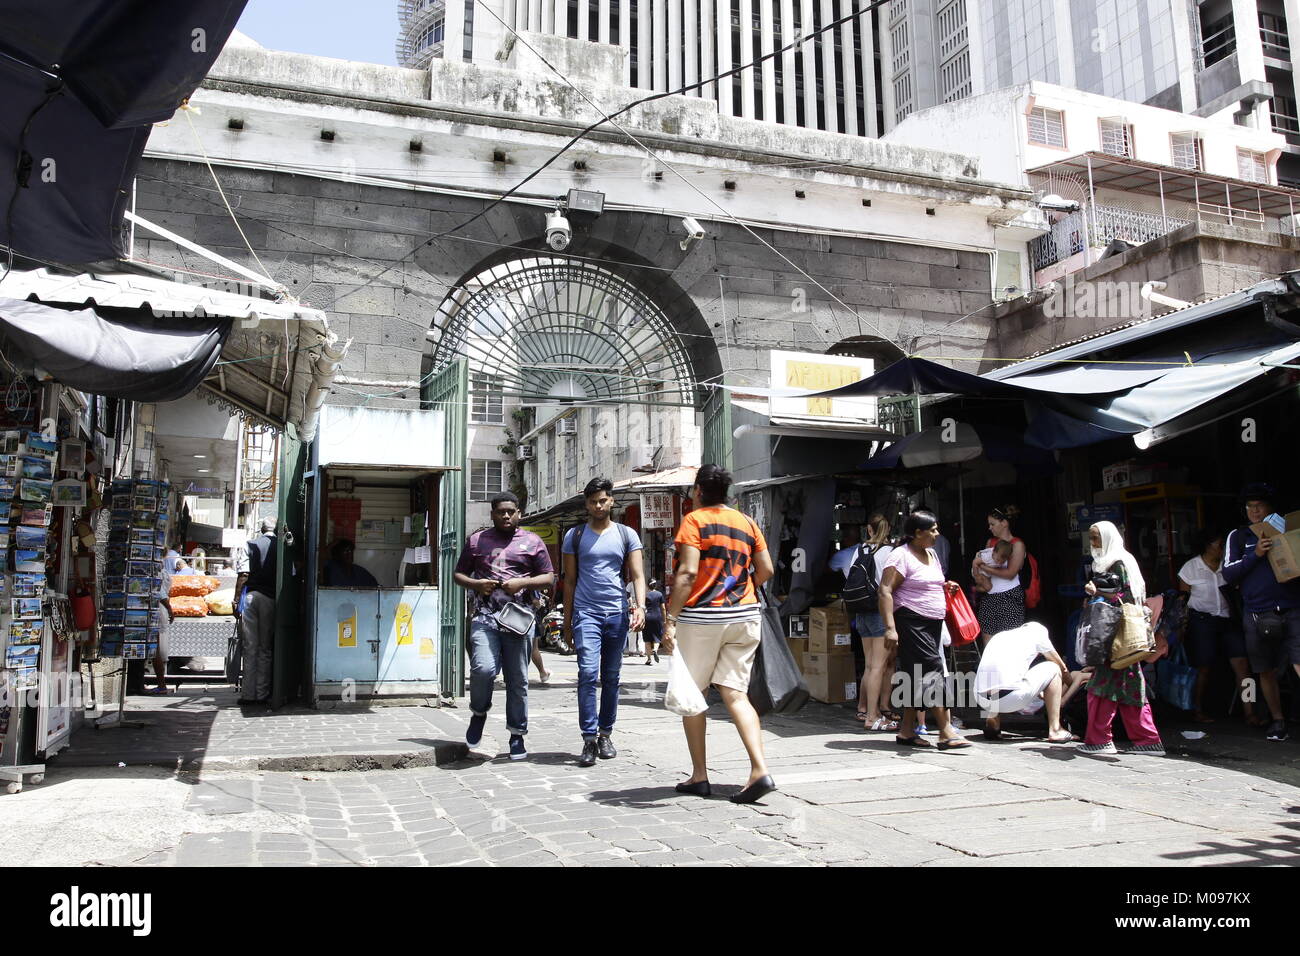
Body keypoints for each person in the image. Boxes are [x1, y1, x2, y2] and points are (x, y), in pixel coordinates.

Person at [661, 464, 777, 803]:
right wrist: (740, 591)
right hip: (745, 615)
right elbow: (766, 569)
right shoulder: (746, 522)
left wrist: (670, 619)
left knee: (693, 696)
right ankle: (759, 769)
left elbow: (687, 573)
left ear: (697, 491)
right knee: (736, 695)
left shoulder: (694, 521)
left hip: (702, 619)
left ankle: (700, 776)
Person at [453, 493, 555, 760]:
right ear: (492, 514)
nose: (506, 516)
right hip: (484, 618)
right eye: (501, 512)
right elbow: (458, 574)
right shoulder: (477, 541)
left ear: (519, 513)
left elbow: (549, 577)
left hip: (518, 622)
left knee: (518, 680)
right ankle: (478, 712)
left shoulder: (532, 541)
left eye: (511, 511)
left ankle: (517, 735)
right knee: (483, 669)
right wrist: (476, 584)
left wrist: (522, 583)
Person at [562, 477, 646, 767]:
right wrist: (567, 619)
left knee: (611, 677)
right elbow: (569, 580)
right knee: (587, 673)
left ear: (611, 501)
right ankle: (588, 737)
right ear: (586, 504)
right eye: (592, 501)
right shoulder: (574, 536)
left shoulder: (626, 535)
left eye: (602, 500)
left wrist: (641, 606)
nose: (598, 505)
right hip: (586, 613)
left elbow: (637, 575)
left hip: (617, 613)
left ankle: (605, 733)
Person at [878, 510, 971, 750]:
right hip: (911, 621)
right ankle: (945, 730)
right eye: (933, 530)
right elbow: (885, 590)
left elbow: (930, 583)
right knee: (932, 669)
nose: (937, 534)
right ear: (917, 533)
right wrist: (890, 628)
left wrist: (945, 586)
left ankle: (907, 730)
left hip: (933, 622)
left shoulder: (931, 554)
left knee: (915, 673)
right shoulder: (901, 556)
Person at [1222, 483, 1300, 742]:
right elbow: (1229, 573)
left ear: (1270, 507)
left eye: (1259, 506)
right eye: (1250, 507)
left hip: (1292, 607)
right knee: (1264, 669)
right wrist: (1255, 555)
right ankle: (1277, 721)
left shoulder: (1285, 527)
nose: (1254, 511)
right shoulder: (1239, 536)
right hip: (1256, 612)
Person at [1078, 521, 1164, 756]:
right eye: (1092, 538)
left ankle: (1100, 740)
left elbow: (1122, 596)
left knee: (1100, 687)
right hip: (1120, 637)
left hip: (1115, 636)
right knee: (1130, 688)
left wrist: (1097, 592)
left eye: (1096, 538)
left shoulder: (1118, 563)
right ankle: (1147, 741)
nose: (1093, 543)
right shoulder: (1113, 561)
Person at [1177, 529, 1256, 725]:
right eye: (1220, 545)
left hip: (1229, 620)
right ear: (1207, 545)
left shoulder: (1228, 566)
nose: (1223, 549)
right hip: (1202, 621)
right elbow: (1182, 601)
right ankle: (1197, 709)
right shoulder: (1190, 568)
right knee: (1203, 667)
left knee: (1243, 666)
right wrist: (1181, 626)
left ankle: (1251, 711)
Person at [974, 622, 1075, 743]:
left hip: (980, 698)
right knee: (1053, 668)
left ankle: (993, 722)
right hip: (1009, 699)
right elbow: (1062, 668)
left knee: (996, 679)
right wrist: (1073, 685)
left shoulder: (1000, 636)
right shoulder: (1038, 633)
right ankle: (1055, 729)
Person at [850, 513, 898, 731]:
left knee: (870, 665)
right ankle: (872, 716)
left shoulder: (859, 550)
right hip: (880, 612)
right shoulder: (890, 553)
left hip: (861, 612)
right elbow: (892, 585)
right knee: (879, 666)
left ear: (869, 529)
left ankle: (866, 710)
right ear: (887, 530)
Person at [233, 517, 278, 706]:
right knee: (265, 648)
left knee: (250, 646)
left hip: (251, 597)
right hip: (270, 598)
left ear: (261, 529)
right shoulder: (280, 547)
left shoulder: (250, 544)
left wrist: (236, 600)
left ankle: (248, 694)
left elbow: (244, 574)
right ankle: (262, 693)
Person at [971, 505, 1027, 642]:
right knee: (989, 643)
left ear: (1004, 523)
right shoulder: (990, 542)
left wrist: (983, 566)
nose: (990, 528)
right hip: (989, 596)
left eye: (992, 524)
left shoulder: (1017, 544)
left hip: (1009, 596)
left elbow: (1010, 573)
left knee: (1009, 642)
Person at [642, 579, 665, 665]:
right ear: (655, 585)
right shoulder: (659, 594)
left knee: (647, 639)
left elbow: (642, 607)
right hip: (657, 617)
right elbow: (663, 608)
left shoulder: (645, 595)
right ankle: (655, 650)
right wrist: (664, 619)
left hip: (647, 617)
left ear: (648, 586)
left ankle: (649, 659)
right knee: (657, 636)